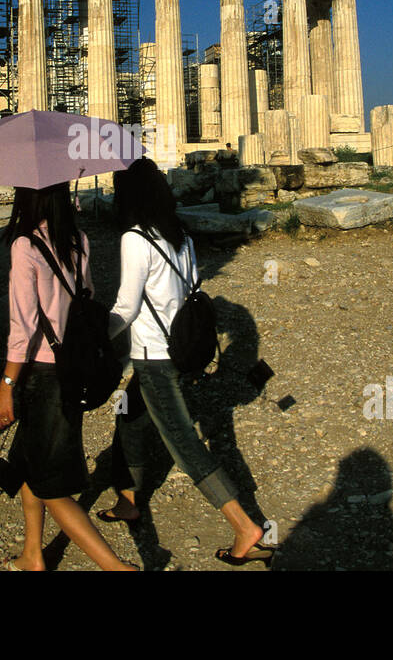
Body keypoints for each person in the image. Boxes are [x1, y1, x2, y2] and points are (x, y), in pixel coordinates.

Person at [99, 157, 274, 566]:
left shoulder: (135, 239)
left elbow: (125, 307)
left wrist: (91, 335)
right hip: (181, 349)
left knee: (183, 443)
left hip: (154, 357)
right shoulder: (180, 235)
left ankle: (244, 526)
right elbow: (194, 289)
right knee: (129, 417)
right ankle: (128, 499)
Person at [0, 183, 135, 572]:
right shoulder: (79, 239)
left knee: (51, 488)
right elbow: (87, 297)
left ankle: (116, 568)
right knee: (27, 459)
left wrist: (6, 386)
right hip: (73, 364)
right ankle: (34, 553)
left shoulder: (24, 245)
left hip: (42, 373)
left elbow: (22, 326)